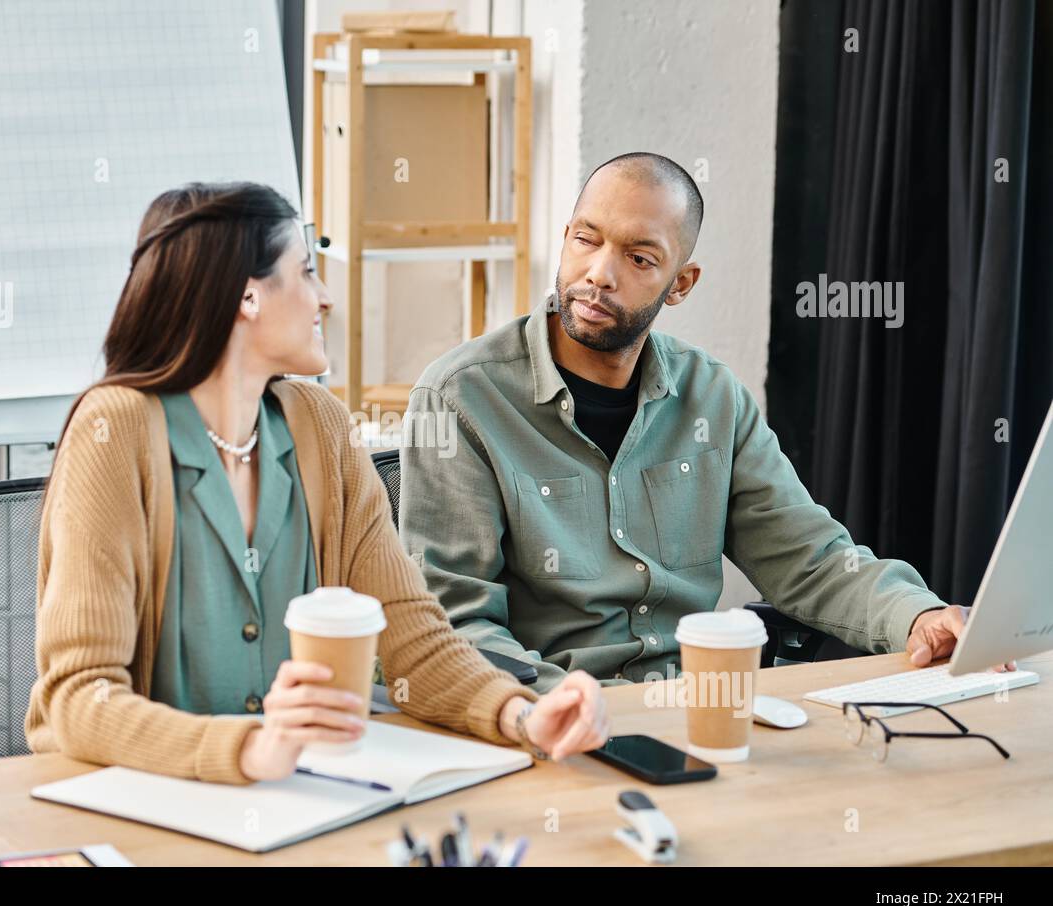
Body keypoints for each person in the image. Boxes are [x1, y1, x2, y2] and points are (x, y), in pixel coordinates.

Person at [25, 182, 610, 783]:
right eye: (306, 272)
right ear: (246, 295)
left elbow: (414, 641)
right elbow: (80, 696)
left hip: (289, 801)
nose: (324, 298)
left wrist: (521, 716)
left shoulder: (320, 425)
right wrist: (251, 749)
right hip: (132, 806)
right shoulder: (116, 430)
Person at [400, 152, 999, 691]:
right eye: (587, 240)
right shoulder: (462, 398)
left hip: (698, 706)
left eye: (639, 258)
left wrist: (918, 616)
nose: (600, 274)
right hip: (550, 722)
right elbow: (454, 621)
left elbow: (810, 560)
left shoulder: (713, 398)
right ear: (565, 240)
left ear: (680, 283)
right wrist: (563, 706)